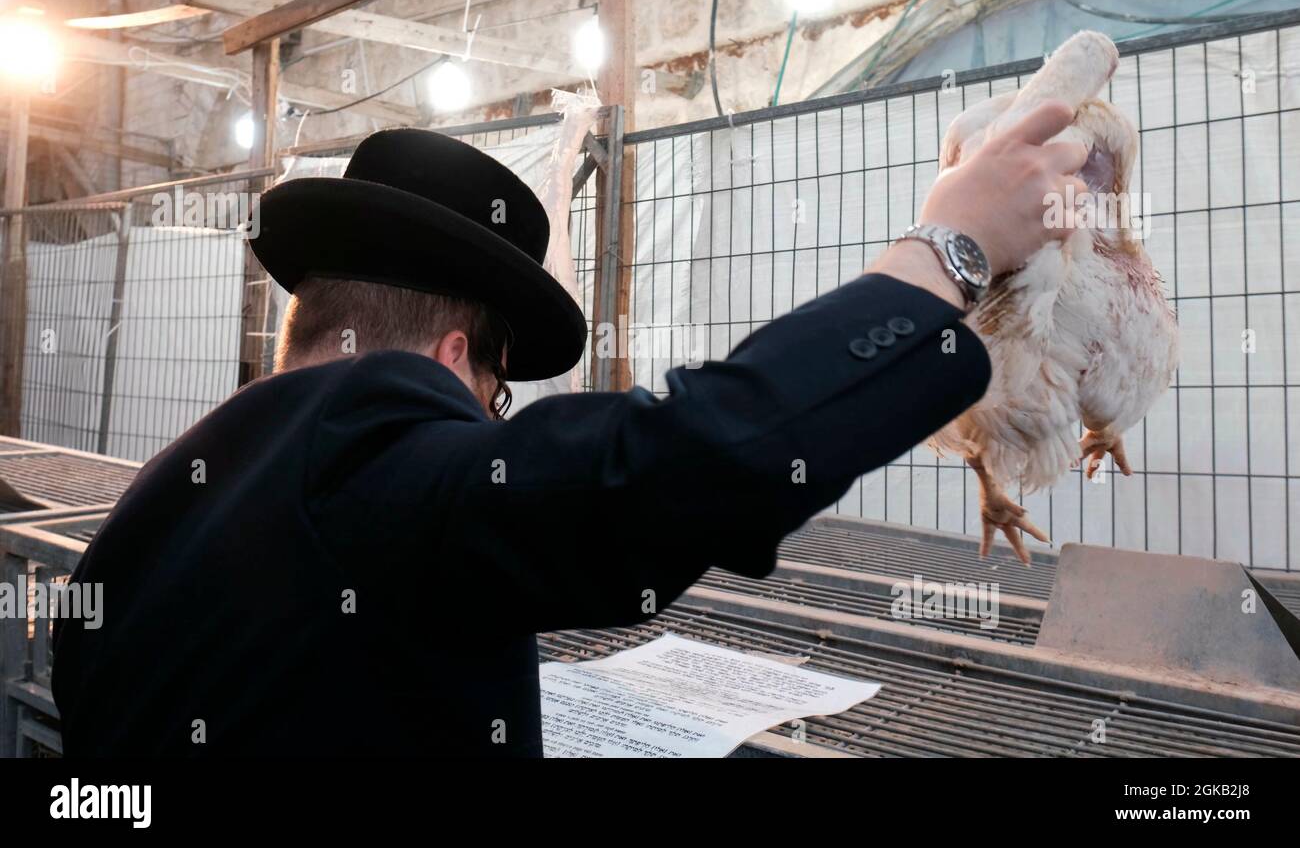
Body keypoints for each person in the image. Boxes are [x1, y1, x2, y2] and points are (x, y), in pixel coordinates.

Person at [53, 102, 1089, 757]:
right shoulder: (367, 432)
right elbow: (691, 459)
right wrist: (945, 252)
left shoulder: (166, 504)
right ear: (456, 360)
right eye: (496, 406)